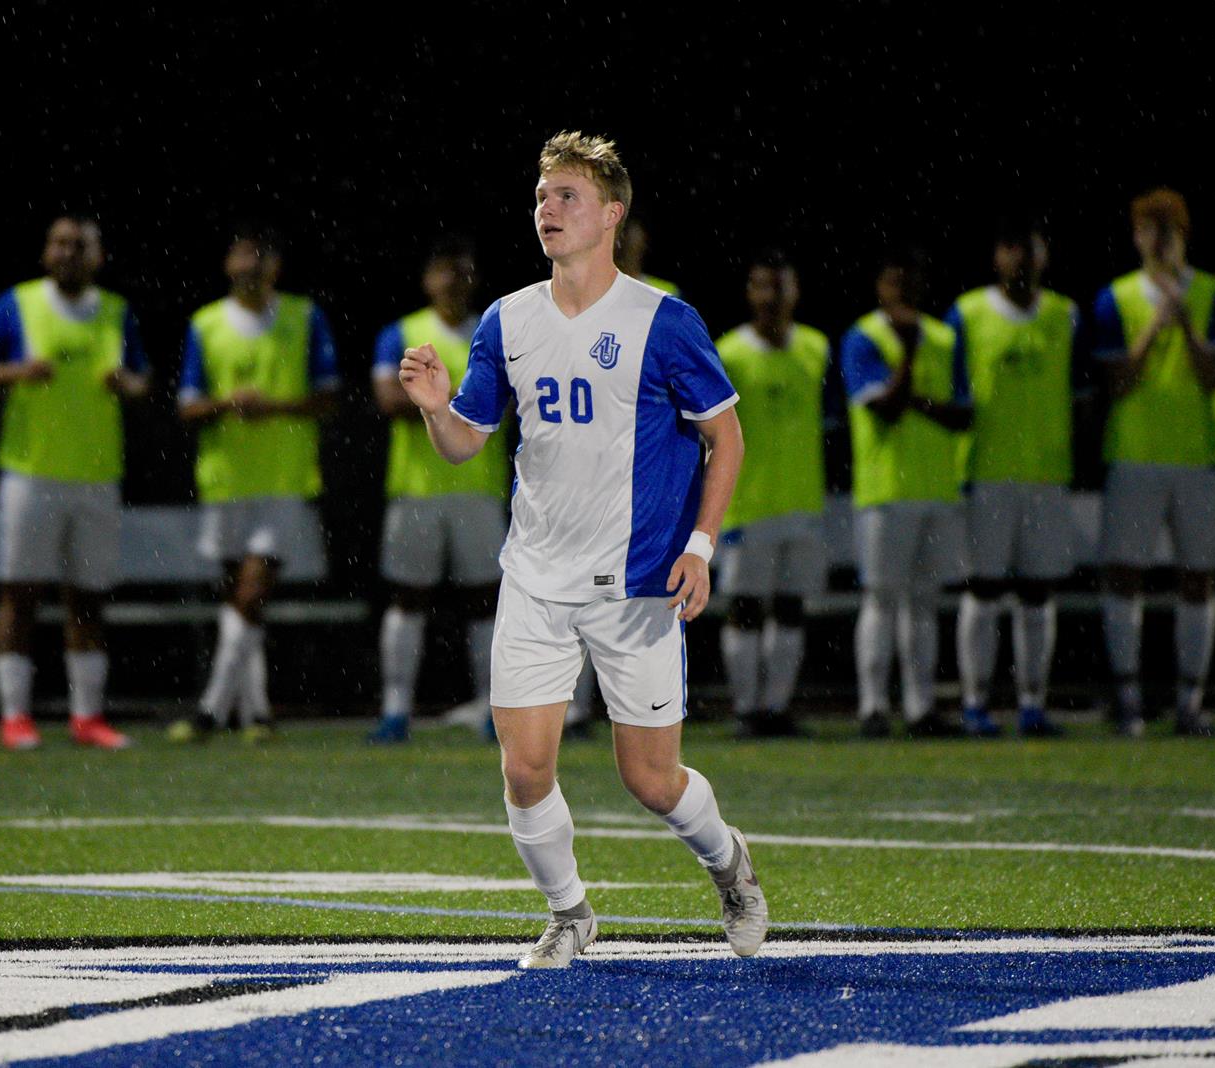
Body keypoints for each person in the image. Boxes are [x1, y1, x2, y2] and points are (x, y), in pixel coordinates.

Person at [396, 131, 765, 968]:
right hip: (535, 578)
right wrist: (434, 407)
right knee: (524, 771)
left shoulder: (663, 320)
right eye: (541, 197)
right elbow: (464, 443)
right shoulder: (508, 318)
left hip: (637, 584)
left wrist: (701, 546)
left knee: (651, 781)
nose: (548, 210)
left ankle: (729, 866)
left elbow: (727, 438)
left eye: (567, 196)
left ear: (611, 215)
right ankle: (570, 914)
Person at [0, 215, 149, 751]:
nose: (68, 253)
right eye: (60, 243)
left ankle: (87, 717)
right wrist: (16, 372)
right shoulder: (17, 304)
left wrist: (127, 383)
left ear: (97, 256)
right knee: (20, 595)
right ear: (46, 252)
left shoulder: (115, 311)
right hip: (31, 474)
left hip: (96, 476)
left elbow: (142, 382)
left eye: (79, 245)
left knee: (88, 599)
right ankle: (15, 716)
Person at [169, 223, 339, 744]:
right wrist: (227, 404)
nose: (251, 265)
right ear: (228, 265)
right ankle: (258, 713)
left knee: (248, 596)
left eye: (261, 256)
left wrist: (274, 406)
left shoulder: (304, 317)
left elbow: (329, 397)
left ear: (275, 267)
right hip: (225, 482)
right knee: (240, 607)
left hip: (283, 481)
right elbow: (187, 405)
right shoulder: (206, 323)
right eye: (243, 255)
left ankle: (210, 710)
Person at [1092, 188, 1215, 738]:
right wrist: (1155, 326)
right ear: (1135, 237)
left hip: (1197, 458)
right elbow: (1116, 382)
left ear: (1184, 235)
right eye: (1148, 229)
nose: (1158, 240)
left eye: (1168, 229)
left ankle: (1189, 704)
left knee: (1198, 580)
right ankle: (1129, 700)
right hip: (1133, 457)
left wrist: (1187, 326)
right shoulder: (1114, 298)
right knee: (1124, 578)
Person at [369, 239, 509, 744]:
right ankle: (395, 712)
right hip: (417, 490)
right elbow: (390, 399)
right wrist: (460, 400)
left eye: (463, 273)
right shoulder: (402, 334)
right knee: (407, 598)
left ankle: (495, 711)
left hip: (478, 486)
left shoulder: (492, 331)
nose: (454, 282)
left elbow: (509, 400)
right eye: (446, 272)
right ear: (428, 280)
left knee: (487, 601)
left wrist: (433, 398)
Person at [949, 218, 1079, 738]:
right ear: (996, 256)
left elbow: (1084, 394)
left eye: (1029, 248)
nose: (1020, 258)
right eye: (1010, 247)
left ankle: (1032, 705)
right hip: (986, 473)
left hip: (1046, 474)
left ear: (1044, 256)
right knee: (983, 589)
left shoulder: (1066, 315)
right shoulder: (967, 314)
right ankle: (975, 703)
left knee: (1038, 593)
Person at [839, 250, 973, 738]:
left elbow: (964, 414)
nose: (905, 289)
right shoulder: (863, 338)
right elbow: (887, 410)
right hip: (886, 491)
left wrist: (916, 399)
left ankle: (920, 708)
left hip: (936, 488)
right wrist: (911, 361)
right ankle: (873, 707)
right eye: (895, 279)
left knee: (923, 603)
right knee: (881, 600)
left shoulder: (944, 336)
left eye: (911, 279)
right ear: (880, 286)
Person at [715, 250, 830, 738]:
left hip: (803, 502)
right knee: (744, 608)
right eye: (763, 286)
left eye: (781, 286)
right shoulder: (729, 353)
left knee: (790, 607)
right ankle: (747, 709)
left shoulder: (816, 347)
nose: (773, 297)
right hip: (746, 504)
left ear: (795, 292)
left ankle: (776, 708)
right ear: (750, 292)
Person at [615, 216, 680, 296]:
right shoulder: (603, 288)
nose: (628, 253)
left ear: (643, 246)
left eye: (633, 246)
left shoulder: (665, 292)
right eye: (625, 245)